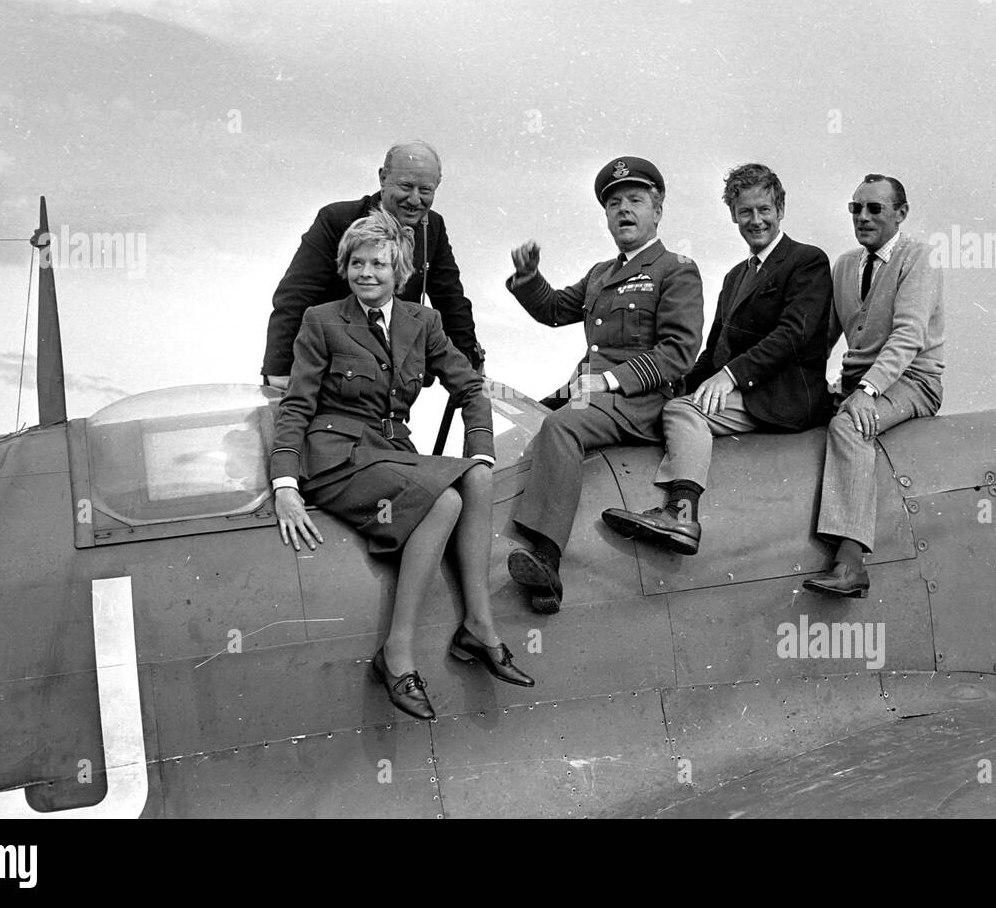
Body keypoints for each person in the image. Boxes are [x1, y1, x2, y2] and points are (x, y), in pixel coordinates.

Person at [270, 208, 532, 721]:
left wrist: (480, 444)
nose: (366, 273)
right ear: (344, 267)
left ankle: (480, 625)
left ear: (400, 272)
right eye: (357, 263)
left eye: (378, 265)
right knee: (446, 497)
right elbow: (297, 405)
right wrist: (285, 481)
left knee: (477, 472)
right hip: (338, 459)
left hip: (392, 455)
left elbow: (470, 387)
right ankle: (397, 654)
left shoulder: (424, 322)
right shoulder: (321, 321)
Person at [505, 157, 704, 614]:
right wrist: (529, 279)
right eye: (614, 204)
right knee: (518, 421)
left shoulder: (676, 269)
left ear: (658, 211)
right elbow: (554, 309)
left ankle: (547, 560)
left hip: (641, 400)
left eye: (635, 200)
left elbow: (678, 353)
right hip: (593, 393)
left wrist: (611, 380)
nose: (624, 211)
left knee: (562, 427)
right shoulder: (600, 274)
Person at [601, 163, 833, 554]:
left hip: (786, 396)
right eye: (745, 212)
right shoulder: (734, 276)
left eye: (764, 210)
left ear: (780, 209)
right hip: (745, 389)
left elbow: (793, 335)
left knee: (683, 414)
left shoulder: (807, 261)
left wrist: (731, 377)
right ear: (733, 215)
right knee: (673, 403)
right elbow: (714, 351)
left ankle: (681, 514)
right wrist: (674, 385)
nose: (755, 220)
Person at [802, 174, 944, 598]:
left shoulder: (917, 259)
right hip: (855, 383)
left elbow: (908, 336)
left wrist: (866, 393)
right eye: (856, 208)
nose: (863, 217)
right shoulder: (845, 265)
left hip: (911, 381)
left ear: (901, 213)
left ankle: (850, 561)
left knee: (850, 426)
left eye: (875, 209)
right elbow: (823, 338)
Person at [261, 141, 485, 389]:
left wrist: (470, 367)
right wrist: (279, 370)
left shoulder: (433, 227)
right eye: (406, 186)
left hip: (388, 381)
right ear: (382, 177)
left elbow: (452, 301)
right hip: (327, 374)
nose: (414, 199)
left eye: (425, 190)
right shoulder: (337, 220)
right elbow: (295, 297)